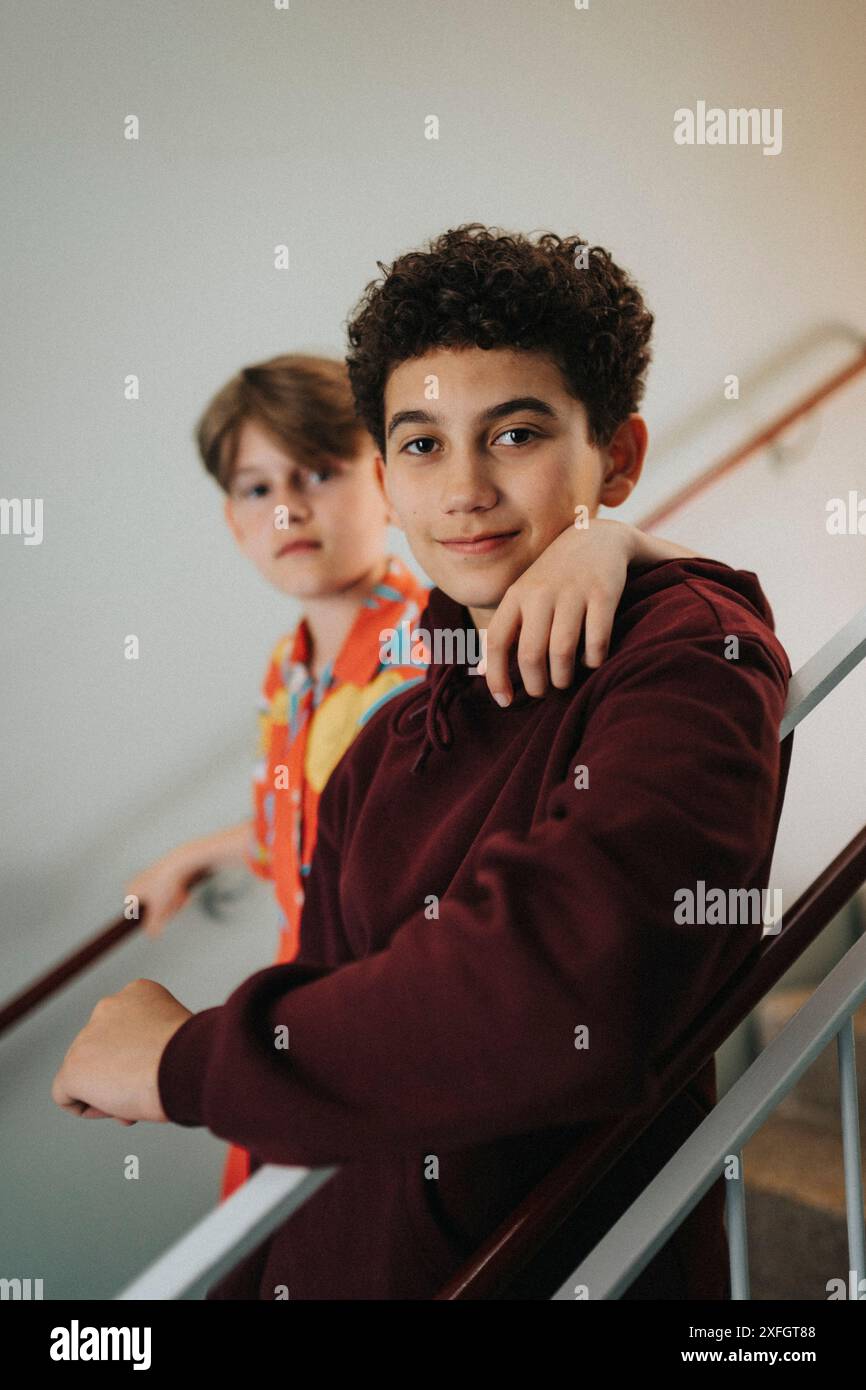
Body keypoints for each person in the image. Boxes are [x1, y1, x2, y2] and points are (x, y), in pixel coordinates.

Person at [52, 225, 791, 1301]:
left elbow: (560, 986)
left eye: (516, 433)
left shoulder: (683, 651)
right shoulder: (382, 749)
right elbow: (339, 1042)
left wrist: (185, 1062)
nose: (462, 491)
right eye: (420, 443)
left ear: (617, 457)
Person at [123, 351, 697, 1203]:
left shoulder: (449, 631)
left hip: (399, 1027)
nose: (288, 507)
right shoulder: (290, 668)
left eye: (320, 471)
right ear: (233, 521)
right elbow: (317, 822)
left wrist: (612, 540)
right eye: (256, 488)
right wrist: (205, 852)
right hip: (302, 997)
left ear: (385, 486)